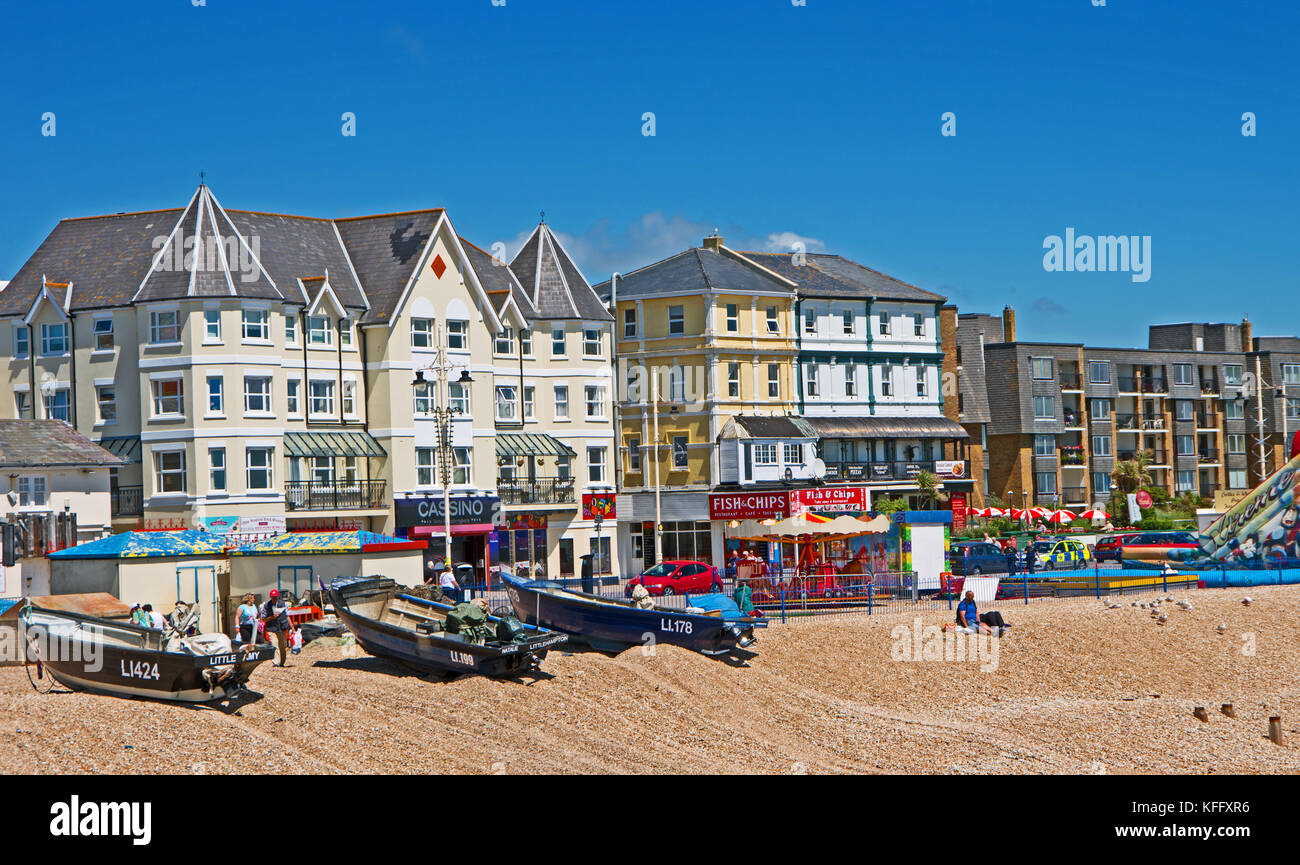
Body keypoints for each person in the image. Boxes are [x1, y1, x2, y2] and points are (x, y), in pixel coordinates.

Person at [260, 589, 292, 666]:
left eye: (275, 597)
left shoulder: (283, 604)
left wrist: (291, 627)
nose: (274, 598)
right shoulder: (266, 606)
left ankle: (282, 662)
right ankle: (276, 662)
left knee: (282, 646)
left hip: (282, 627)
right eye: (272, 597)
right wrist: (271, 617)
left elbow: (287, 616)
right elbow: (263, 619)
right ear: (270, 597)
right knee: (274, 644)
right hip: (271, 628)